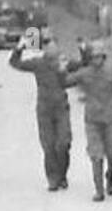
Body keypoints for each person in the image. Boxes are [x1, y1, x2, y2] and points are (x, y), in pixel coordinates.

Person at [63, 40, 112, 202]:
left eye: (99, 57)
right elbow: (65, 81)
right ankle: (99, 190)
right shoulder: (85, 72)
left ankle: (109, 175)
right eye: (93, 57)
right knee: (96, 155)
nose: (96, 60)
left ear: (104, 57)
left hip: (111, 119)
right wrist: (66, 67)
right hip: (93, 120)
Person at [8, 32, 72, 190]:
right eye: (46, 44)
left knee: (63, 144)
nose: (49, 47)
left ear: (57, 47)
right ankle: (52, 178)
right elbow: (15, 63)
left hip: (61, 108)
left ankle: (62, 175)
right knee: (48, 145)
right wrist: (19, 48)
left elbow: (84, 65)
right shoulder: (38, 63)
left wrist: (84, 50)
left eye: (52, 43)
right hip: (44, 109)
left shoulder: (64, 63)